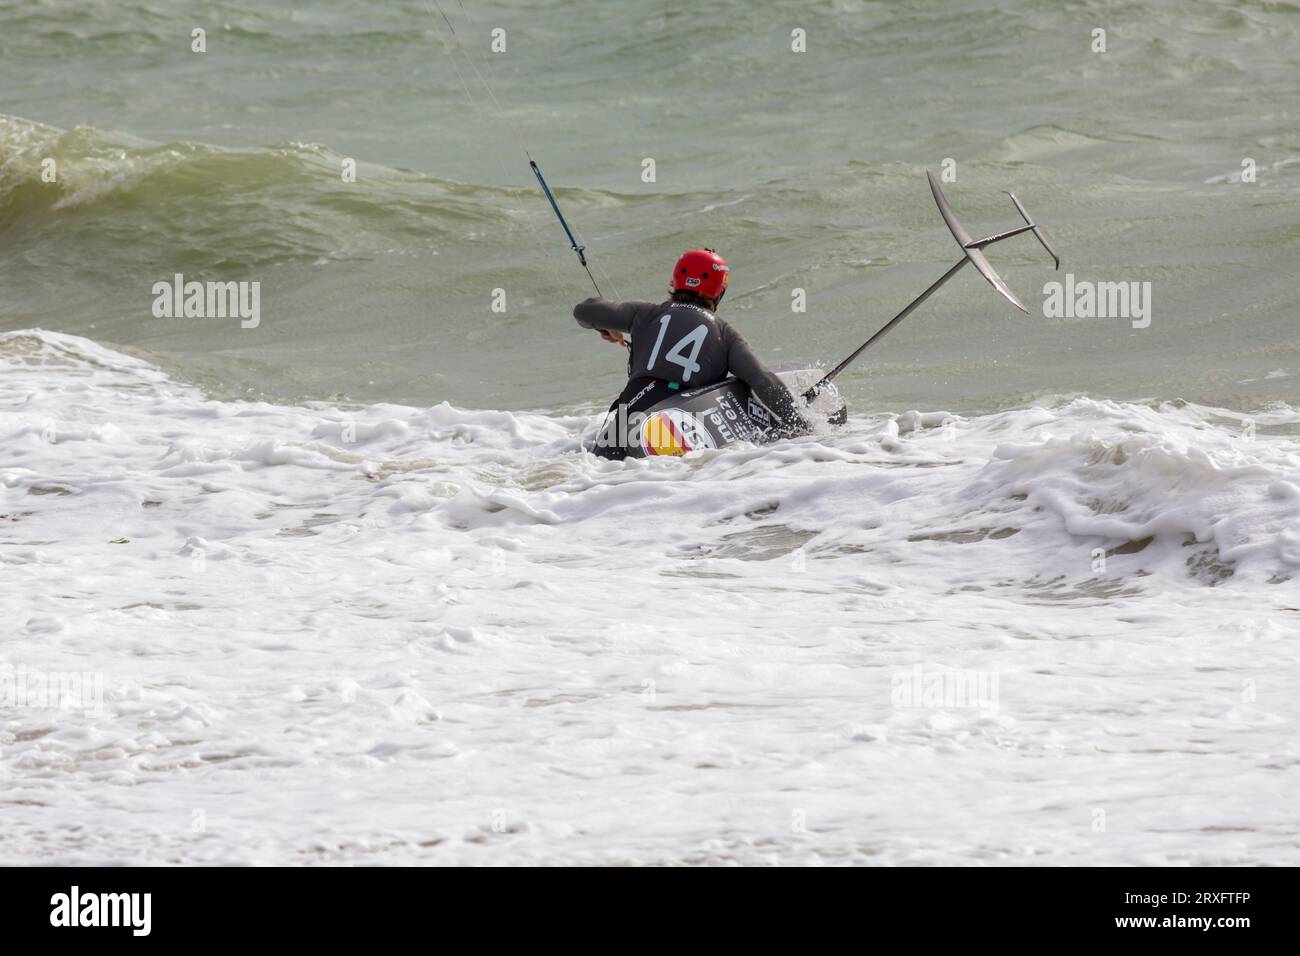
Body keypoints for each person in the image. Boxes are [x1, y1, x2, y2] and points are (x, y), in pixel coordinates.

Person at [574, 248, 808, 459]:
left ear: (675, 281)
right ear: (720, 290)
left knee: (600, 473)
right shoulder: (725, 334)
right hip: (677, 419)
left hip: (629, 415)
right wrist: (800, 427)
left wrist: (607, 325)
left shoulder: (644, 313)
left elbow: (583, 311)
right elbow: (762, 381)